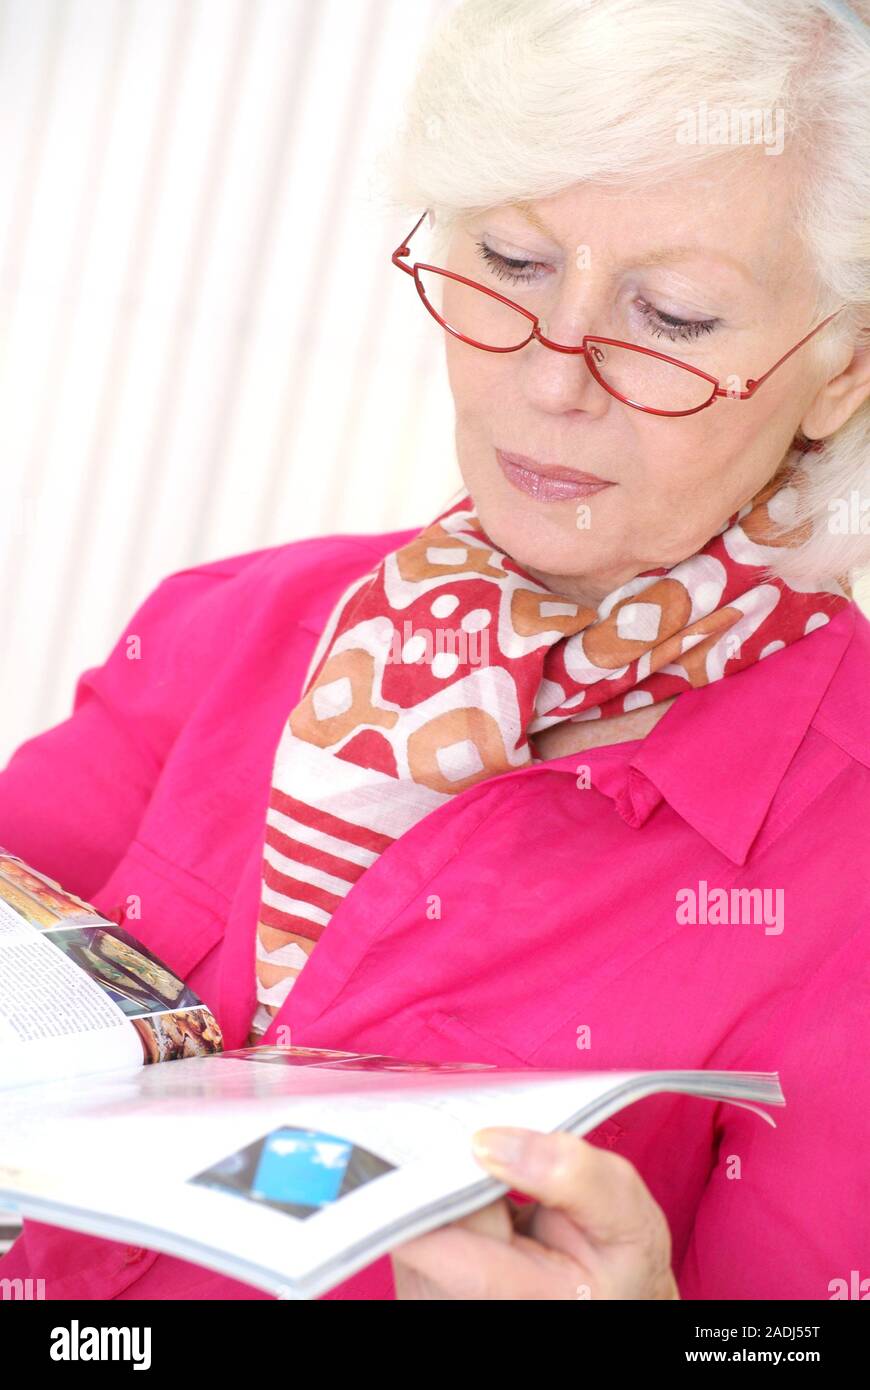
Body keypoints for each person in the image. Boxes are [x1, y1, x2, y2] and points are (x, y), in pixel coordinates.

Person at [1, 0, 869, 1300]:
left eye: (673, 316)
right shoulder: (229, 623)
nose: (551, 371)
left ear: (843, 367)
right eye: (512, 261)